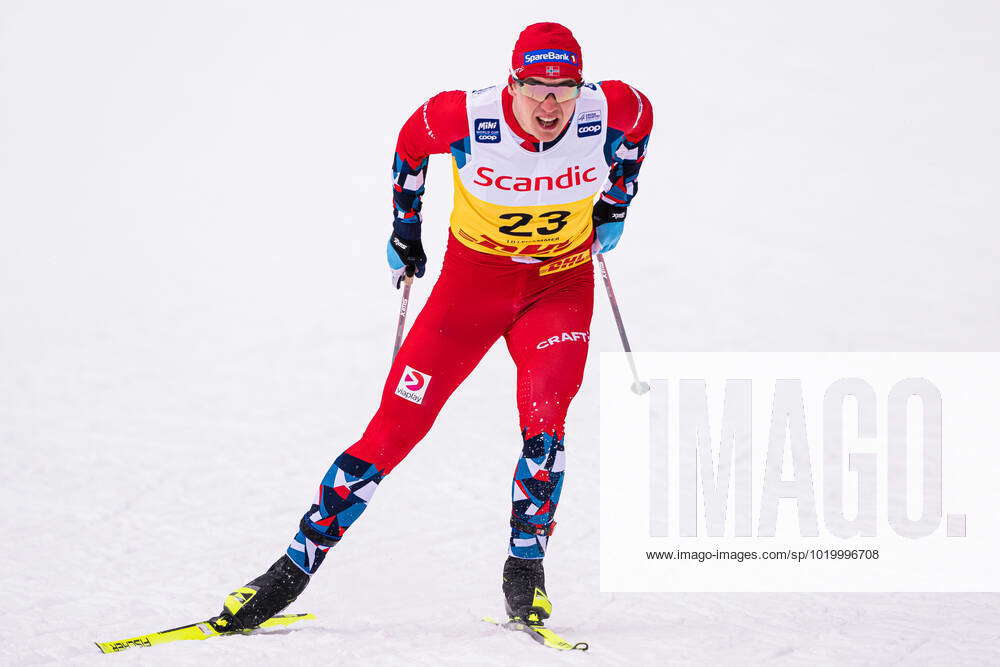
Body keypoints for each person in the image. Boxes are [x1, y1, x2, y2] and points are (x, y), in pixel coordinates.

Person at [209, 21, 653, 631]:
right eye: (535, 87)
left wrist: (616, 201)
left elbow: (642, 119)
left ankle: (525, 574)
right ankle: (288, 572)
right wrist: (405, 228)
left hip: (560, 288)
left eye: (563, 88)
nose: (550, 104)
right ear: (512, 83)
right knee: (391, 432)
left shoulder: (608, 107)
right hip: (470, 293)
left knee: (546, 428)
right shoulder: (466, 117)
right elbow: (409, 144)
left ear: (581, 86)